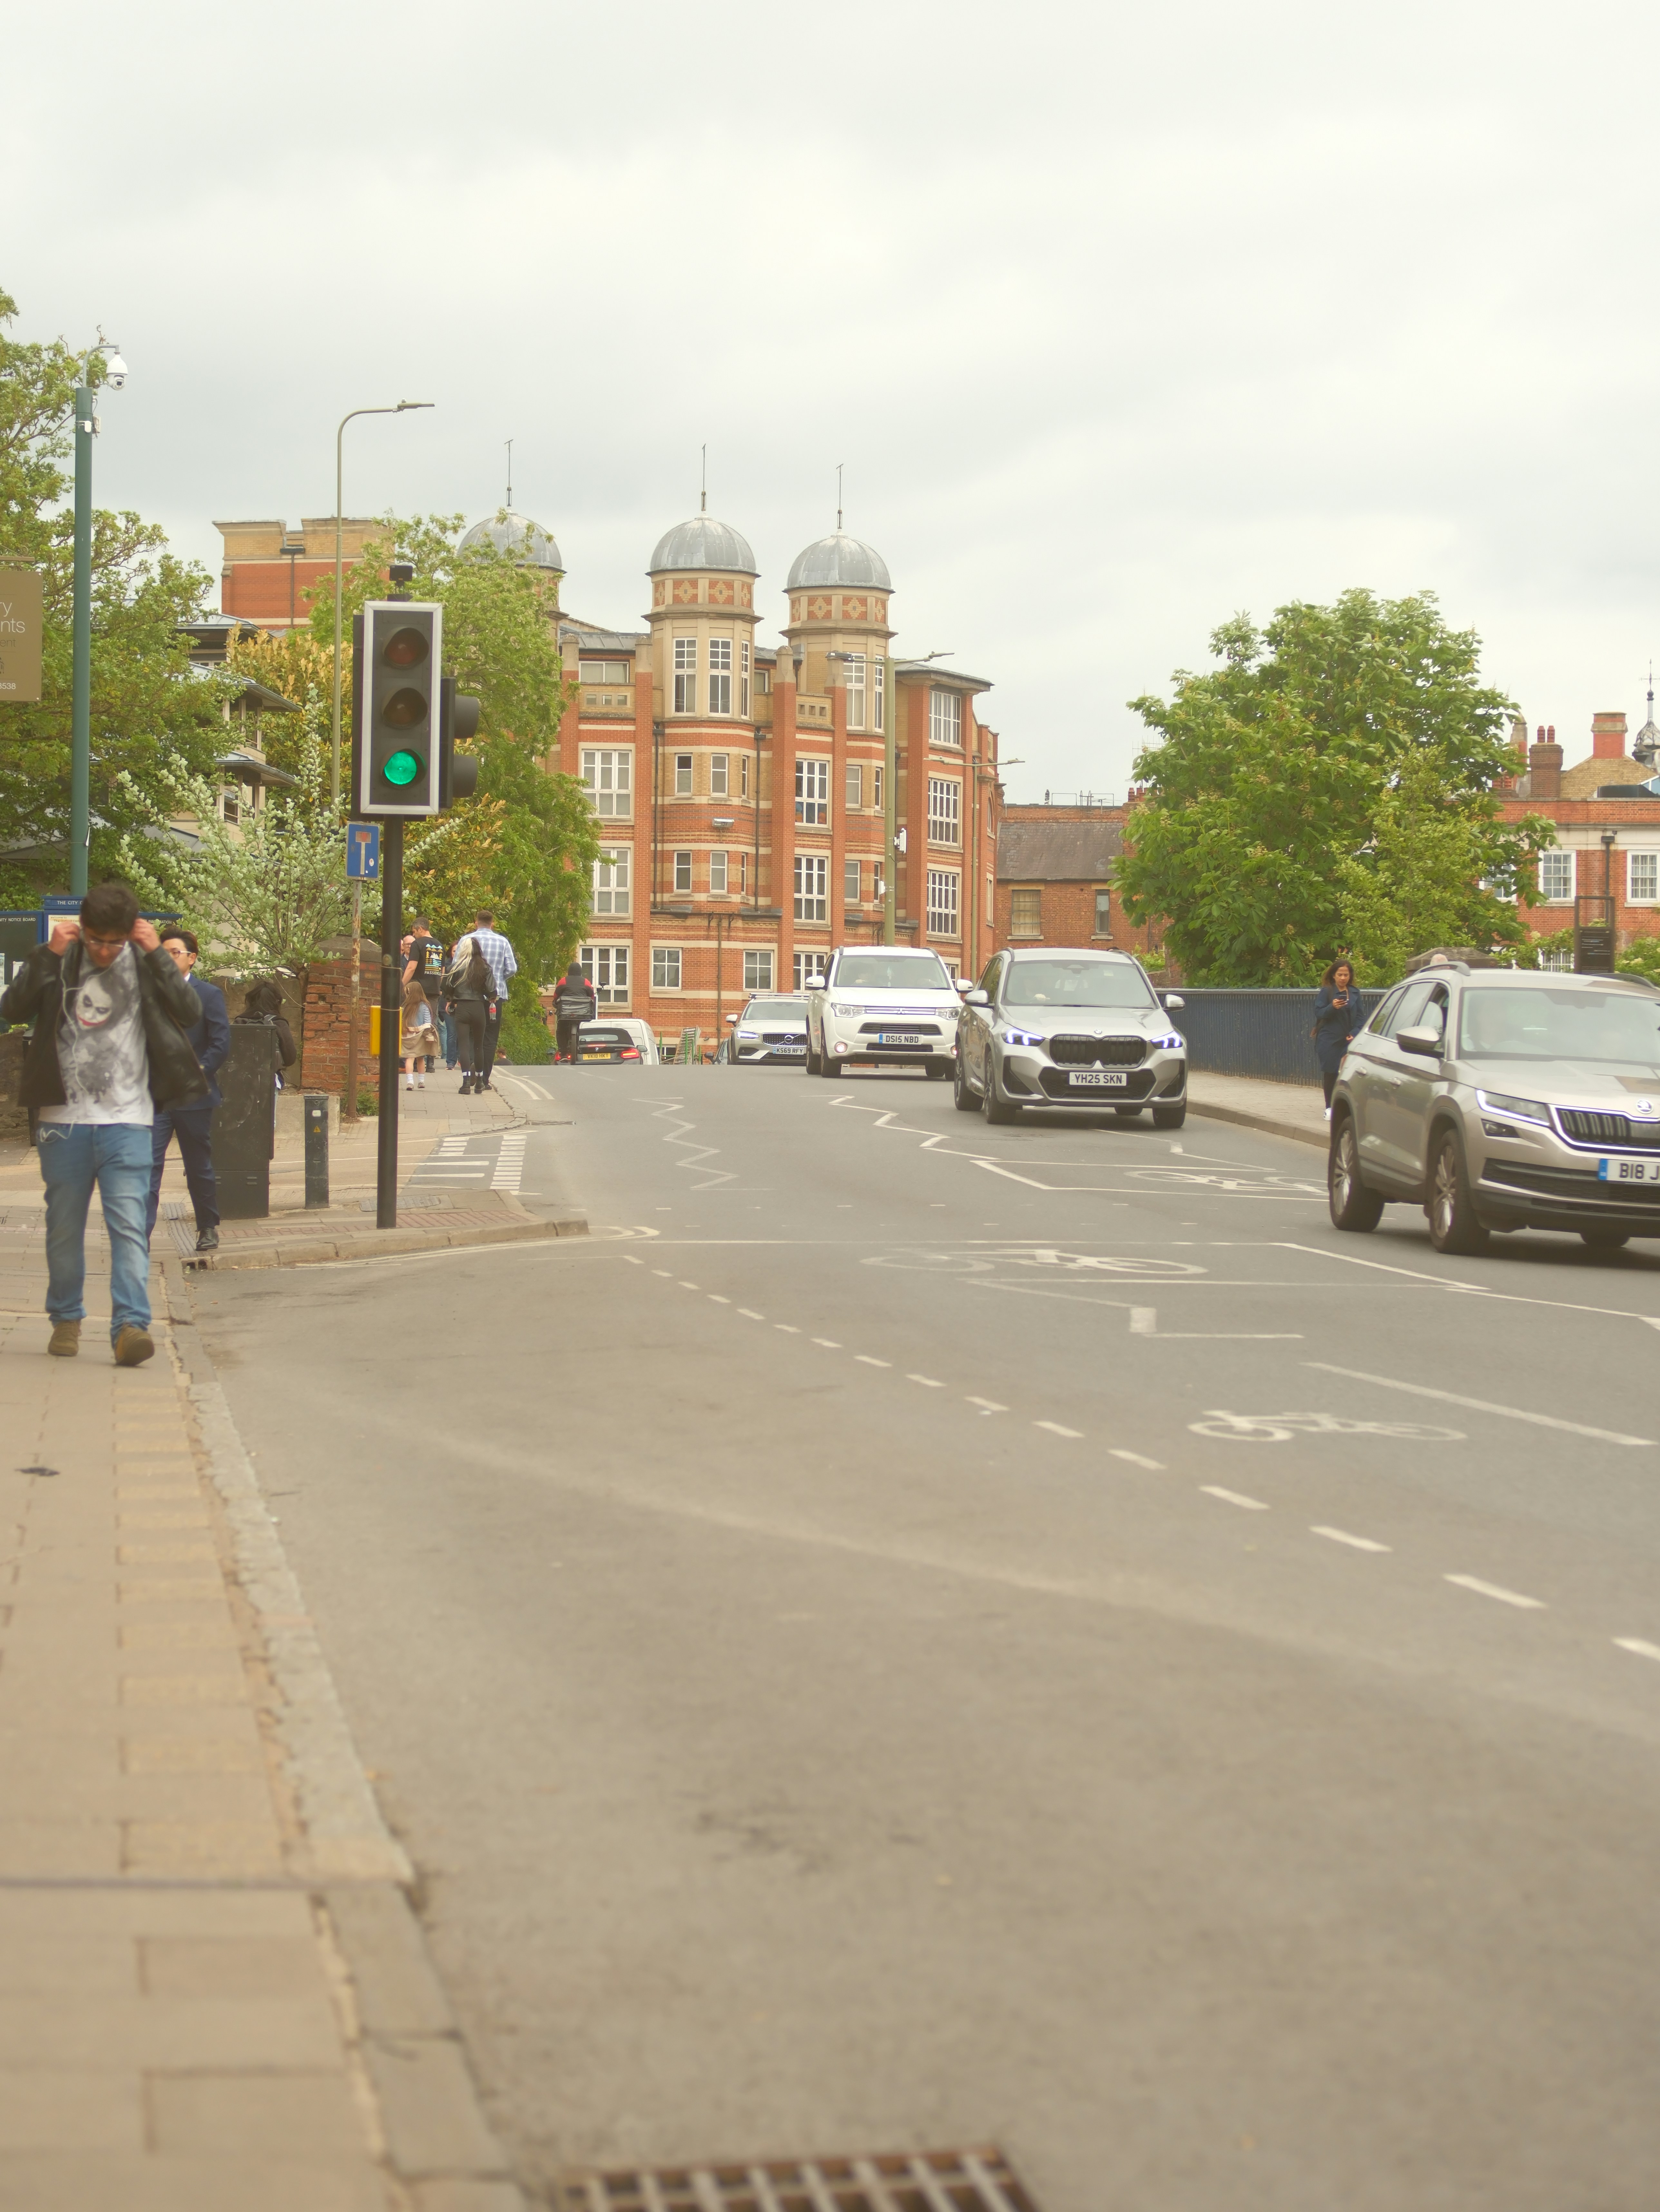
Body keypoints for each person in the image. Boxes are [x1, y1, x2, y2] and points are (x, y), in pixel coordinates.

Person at [0, 881, 204, 1366]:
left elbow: (189, 1011)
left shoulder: (146, 962)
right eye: (97, 940)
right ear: (84, 929)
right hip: (63, 1122)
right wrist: (48, 956)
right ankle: (67, 1318)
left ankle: (130, 1326)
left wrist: (156, 953)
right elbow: (12, 1010)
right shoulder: (59, 958)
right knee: (64, 1230)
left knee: (130, 1228)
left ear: (132, 932)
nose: (106, 951)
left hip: (129, 1120)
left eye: (115, 942)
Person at [145, 927, 229, 1254]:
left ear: (192, 958)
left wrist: (198, 1071)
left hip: (195, 1095)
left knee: (198, 1166)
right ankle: (141, 1234)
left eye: (174, 953)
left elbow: (221, 1043)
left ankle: (207, 1227)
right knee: (147, 1165)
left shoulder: (208, 995)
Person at [470, 908, 517, 1089]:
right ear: (493, 923)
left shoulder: (468, 940)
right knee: (490, 1038)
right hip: (494, 998)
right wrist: (498, 978)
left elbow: (458, 966)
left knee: (472, 1035)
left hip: (471, 996)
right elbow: (512, 969)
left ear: (476, 923)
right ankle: (484, 1079)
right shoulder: (502, 941)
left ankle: (471, 1073)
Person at [1313, 958, 1363, 1114]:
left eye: (1346, 975)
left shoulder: (1355, 993)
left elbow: (1361, 1018)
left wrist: (1354, 1033)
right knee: (1331, 1073)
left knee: (1349, 1073)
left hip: (1348, 1040)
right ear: (1334, 976)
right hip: (1328, 1039)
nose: (1343, 978)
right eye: (1340, 975)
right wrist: (1332, 1007)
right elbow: (1319, 1013)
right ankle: (1330, 1108)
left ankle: (1346, 1106)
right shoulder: (1326, 992)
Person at [445, 932, 493, 1095]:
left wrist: (451, 999)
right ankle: (479, 1083)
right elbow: (492, 991)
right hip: (479, 1007)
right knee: (479, 1046)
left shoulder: (455, 967)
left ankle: (466, 1084)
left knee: (464, 1046)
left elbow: (447, 989)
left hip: (462, 1008)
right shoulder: (485, 967)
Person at [403, 918, 446, 1075]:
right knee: (430, 1024)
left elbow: (412, 967)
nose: (414, 935)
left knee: (414, 1022)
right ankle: (431, 1063)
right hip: (434, 990)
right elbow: (442, 971)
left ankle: (415, 1061)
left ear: (420, 929)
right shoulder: (440, 945)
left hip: (418, 989)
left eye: (414, 932)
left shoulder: (418, 945)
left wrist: (401, 984)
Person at [400, 972, 439, 1091]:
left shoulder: (406, 1007)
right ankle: (421, 1081)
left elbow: (401, 1020)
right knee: (421, 1059)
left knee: (409, 1059)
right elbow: (428, 1022)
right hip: (421, 1036)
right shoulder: (425, 1006)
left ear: (410, 993)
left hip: (409, 1036)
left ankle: (410, 1082)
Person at [552, 959, 596, 1063]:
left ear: (569, 971)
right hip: (582, 1013)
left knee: (560, 1031)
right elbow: (592, 997)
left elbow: (556, 996)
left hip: (565, 1013)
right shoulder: (586, 982)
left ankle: (563, 1054)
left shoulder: (563, 981)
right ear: (580, 972)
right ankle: (577, 1048)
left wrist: (556, 1003)